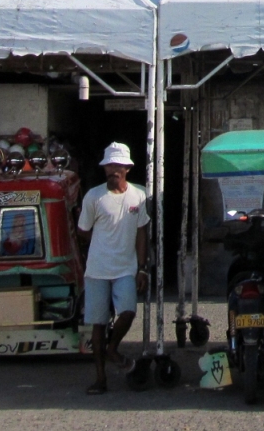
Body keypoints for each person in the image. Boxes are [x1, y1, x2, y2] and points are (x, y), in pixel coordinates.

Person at [76, 142, 150, 395]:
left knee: (128, 312)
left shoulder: (139, 195)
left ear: (127, 169)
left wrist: (142, 268)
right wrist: (101, 245)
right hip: (97, 270)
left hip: (125, 268)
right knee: (97, 324)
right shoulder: (93, 197)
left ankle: (111, 349)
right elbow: (82, 231)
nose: (113, 170)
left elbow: (142, 234)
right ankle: (100, 378)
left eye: (118, 166)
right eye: (109, 166)